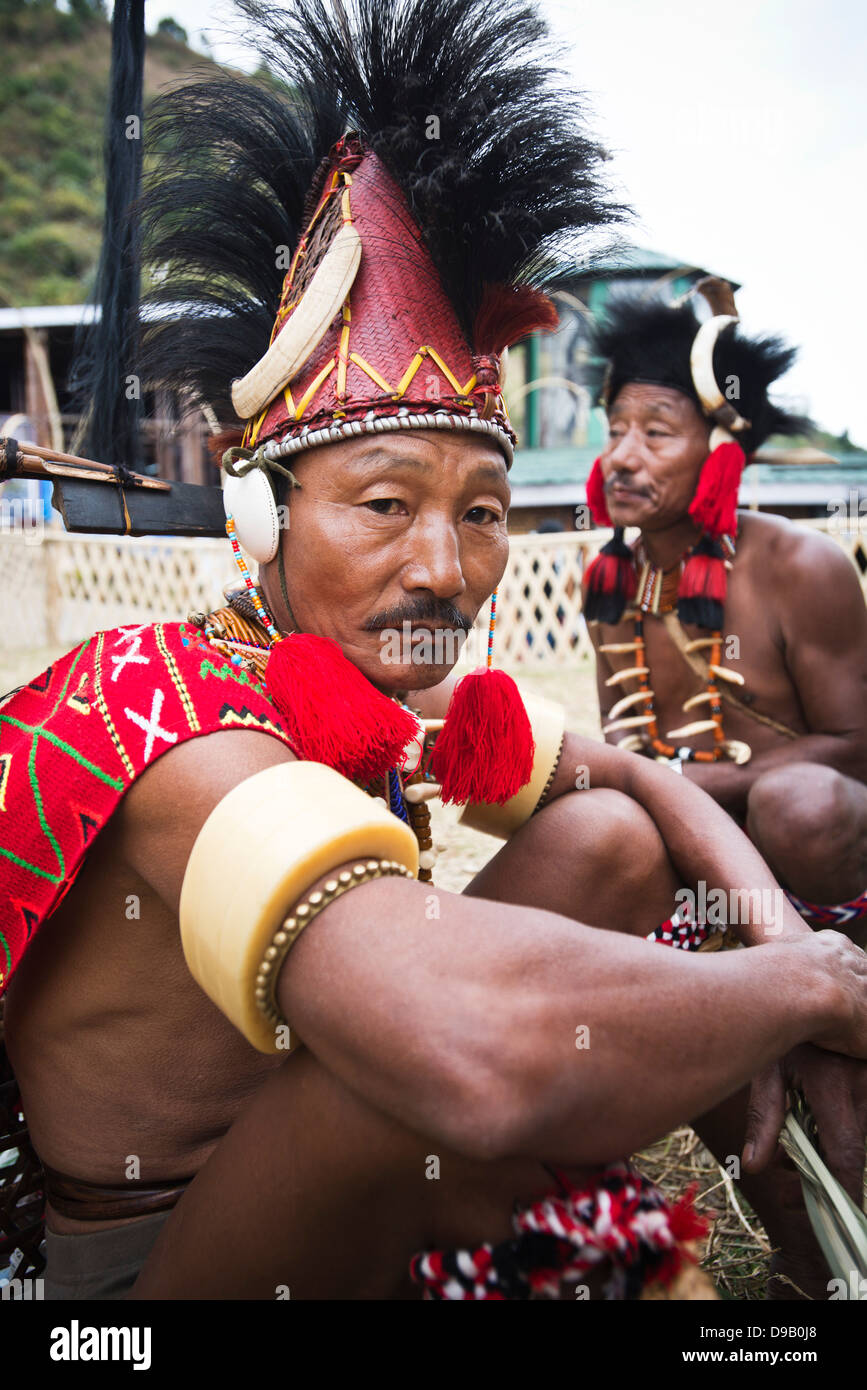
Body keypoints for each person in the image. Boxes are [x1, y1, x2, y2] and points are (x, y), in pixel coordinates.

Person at [2, 0, 866, 1302]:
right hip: (158, 1258)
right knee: (407, 1059)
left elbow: (644, 784)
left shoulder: (361, 687)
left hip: (320, 1145)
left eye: (475, 512)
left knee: (610, 838)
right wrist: (804, 989)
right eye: (385, 503)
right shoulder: (184, 730)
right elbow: (462, 1048)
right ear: (262, 513)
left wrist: (755, 943)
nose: (444, 568)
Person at [583, 283, 867, 943]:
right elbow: (624, 743)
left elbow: (858, 752)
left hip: (811, 844)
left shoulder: (800, 566)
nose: (623, 457)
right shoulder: (606, 579)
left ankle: (842, 979)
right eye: (616, 430)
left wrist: (689, 782)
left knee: (799, 804)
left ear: (719, 453)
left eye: (655, 433)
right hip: (690, 840)